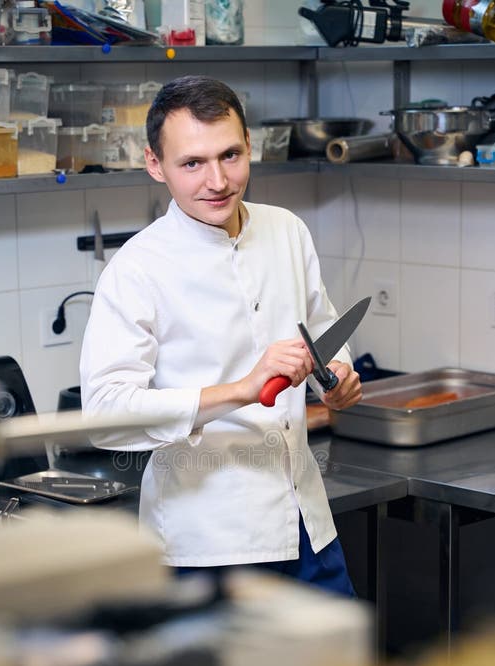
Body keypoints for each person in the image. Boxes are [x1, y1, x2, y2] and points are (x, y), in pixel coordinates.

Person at [79, 75, 362, 595]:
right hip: (205, 546)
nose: (217, 181)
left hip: (308, 528)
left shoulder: (286, 230)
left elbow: (321, 329)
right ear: (155, 165)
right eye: (192, 163)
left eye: (230, 156)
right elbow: (105, 413)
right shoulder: (137, 268)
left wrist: (338, 375)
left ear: (250, 146)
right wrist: (240, 389)